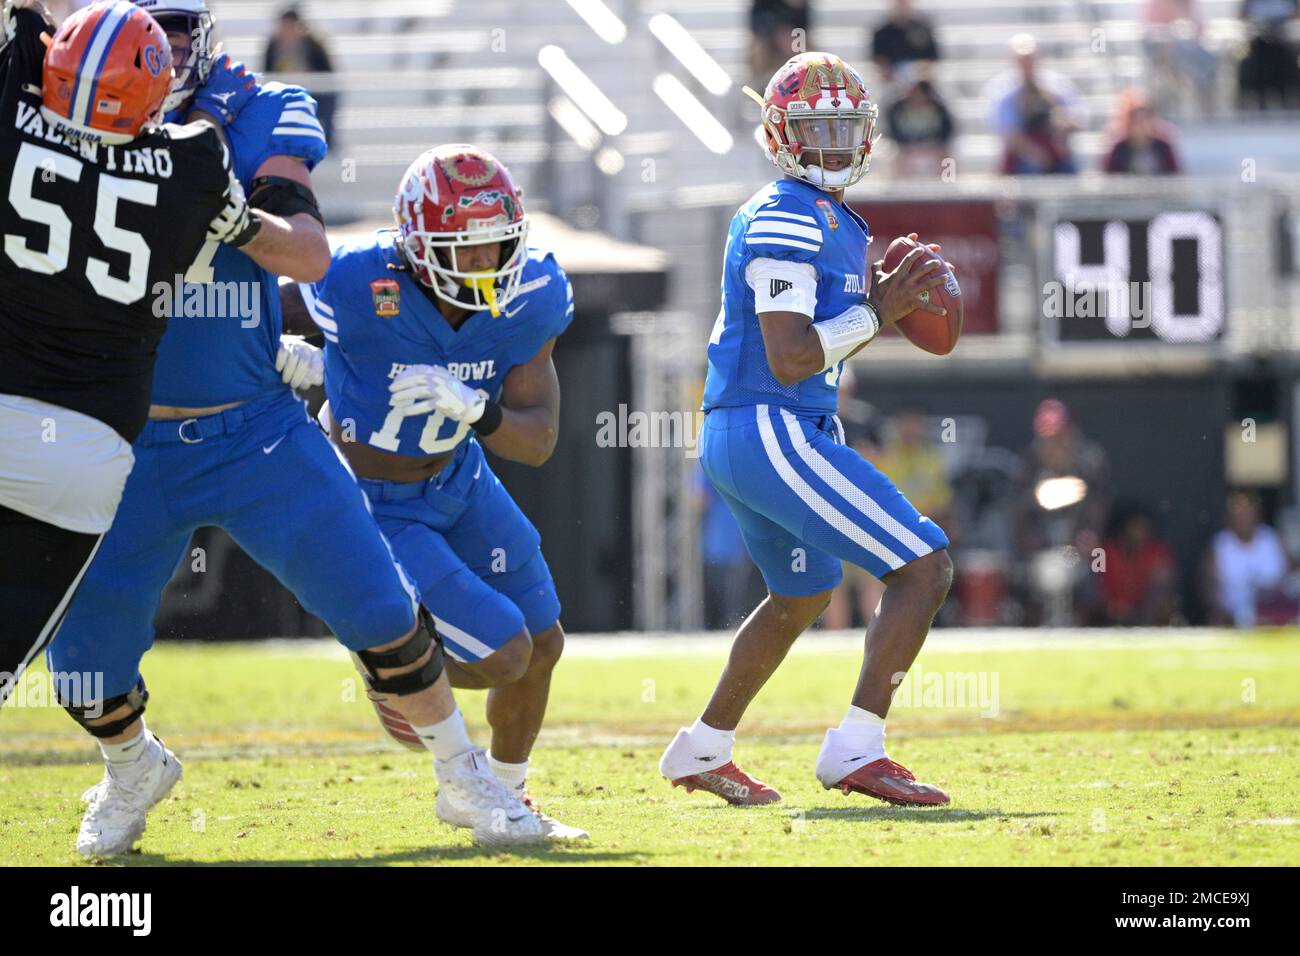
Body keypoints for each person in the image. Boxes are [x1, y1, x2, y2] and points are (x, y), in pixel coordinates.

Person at [47, 1, 545, 856]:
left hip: (253, 430)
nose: (157, 45)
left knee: (382, 607)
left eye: (171, 24)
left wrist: (222, 211)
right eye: (139, 23)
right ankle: (132, 767)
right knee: (83, 661)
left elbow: (308, 254)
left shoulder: (257, 108)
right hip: (122, 433)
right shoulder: (62, 115)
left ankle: (464, 779)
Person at [659, 52, 955, 808]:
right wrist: (880, 313)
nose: (829, 144)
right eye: (813, 128)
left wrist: (875, 312)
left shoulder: (830, 217)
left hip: (758, 427)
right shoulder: (789, 211)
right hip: (773, 425)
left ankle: (702, 748)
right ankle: (857, 749)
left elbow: (811, 345)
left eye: (841, 127)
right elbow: (791, 355)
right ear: (779, 134)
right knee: (924, 567)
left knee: (804, 592)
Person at [283, 144, 586, 840]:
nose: (484, 265)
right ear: (415, 247)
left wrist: (477, 411)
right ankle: (395, 666)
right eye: (464, 249)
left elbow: (537, 441)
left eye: (495, 246)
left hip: (458, 476)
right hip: (372, 498)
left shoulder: (530, 293)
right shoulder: (356, 280)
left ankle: (501, 799)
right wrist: (281, 359)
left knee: (544, 644)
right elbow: (254, 306)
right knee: (504, 653)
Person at [0, 0, 251, 705]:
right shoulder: (197, 159)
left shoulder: (12, 116)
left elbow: (30, 18)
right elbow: (235, 224)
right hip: (83, 451)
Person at [986, 33, 1084, 175]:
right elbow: (1008, 134)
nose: (1027, 63)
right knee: (1030, 167)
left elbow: (1076, 118)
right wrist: (1036, 154)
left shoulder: (1058, 86)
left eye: (1030, 58)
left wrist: (1062, 123)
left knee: (1068, 167)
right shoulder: (1002, 92)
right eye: (1022, 59)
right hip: (1023, 156)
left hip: (1056, 151)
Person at [1202, 490, 1291, 627]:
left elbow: (1290, 577)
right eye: (1238, 511)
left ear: (1257, 513)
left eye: (1248, 510)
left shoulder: (1273, 540)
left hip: (1274, 615)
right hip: (1230, 617)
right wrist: (1228, 614)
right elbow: (1209, 589)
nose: (1243, 516)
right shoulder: (1219, 546)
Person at [262, 5, 336, 146]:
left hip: (313, 94)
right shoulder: (273, 45)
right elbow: (267, 73)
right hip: (283, 94)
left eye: (290, 26)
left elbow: (327, 76)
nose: (287, 30)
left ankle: (327, 139)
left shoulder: (314, 45)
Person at [1093, 506, 1178, 626]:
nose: (1139, 534)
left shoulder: (1157, 552)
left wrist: (1141, 614)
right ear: (1122, 529)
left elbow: (1162, 588)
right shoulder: (1101, 552)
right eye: (1135, 527)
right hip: (1108, 615)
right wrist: (1115, 608)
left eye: (1144, 529)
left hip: (1145, 615)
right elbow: (1095, 590)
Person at [886, 75, 954, 178]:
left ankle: (947, 185)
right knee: (894, 155)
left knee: (947, 158)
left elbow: (946, 131)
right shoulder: (897, 109)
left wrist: (931, 145)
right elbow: (893, 132)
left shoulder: (938, 108)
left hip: (933, 146)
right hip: (906, 148)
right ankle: (899, 188)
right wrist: (910, 146)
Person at [1100, 89, 1182, 175]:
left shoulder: (1163, 147)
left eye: (1144, 121)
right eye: (1137, 121)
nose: (1141, 126)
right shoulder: (1119, 149)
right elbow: (1109, 176)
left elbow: (1175, 175)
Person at [869, 0, 939, 86]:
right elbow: (879, 62)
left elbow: (932, 61)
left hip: (921, 83)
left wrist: (915, 72)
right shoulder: (882, 33)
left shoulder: (923, 28)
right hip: (891, 84)